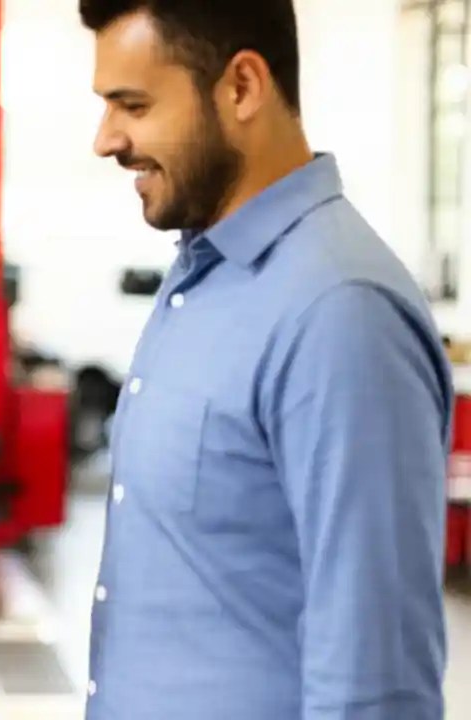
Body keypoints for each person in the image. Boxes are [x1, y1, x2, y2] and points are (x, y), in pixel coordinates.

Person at [77, 1, 450, 718]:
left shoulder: (339, 311)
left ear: (242, 87)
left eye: (134, 104)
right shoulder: (202, 278)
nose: (106, 139)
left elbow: (376, 678)